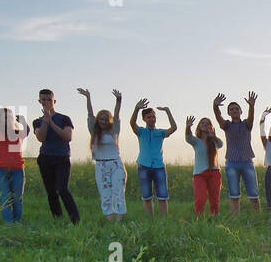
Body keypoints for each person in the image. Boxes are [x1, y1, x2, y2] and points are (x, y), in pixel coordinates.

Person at [33, 88, 80, 225]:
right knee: (51, 191)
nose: (46, 102)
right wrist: (45, 121)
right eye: (43, 100)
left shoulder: (64, 118)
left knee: (62, 189)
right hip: (45, 158)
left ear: (54, 101)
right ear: (39, 101)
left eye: (49, 99)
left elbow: (67, 137)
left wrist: (51, 122)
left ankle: (75, 220)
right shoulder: (37, 121)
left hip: (61, 158)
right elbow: (41, 138)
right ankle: (57, 219)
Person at [80, 87, 126, 222]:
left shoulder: (114, 130)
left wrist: (118, 101)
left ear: (109, 120)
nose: (103, 121)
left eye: (106, 119)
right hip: (101, 165)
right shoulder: (93, 131)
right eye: (101, 119)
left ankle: (119, 222)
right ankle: (110, 221)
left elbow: (117, 116)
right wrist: (88, 98)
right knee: (105, 195)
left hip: (116, 164)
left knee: (118, 193)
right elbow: (90, 114)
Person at [214, 91, 260, 214]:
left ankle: (257, 216)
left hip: (247, 162)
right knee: (234, 194)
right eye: (232, 109)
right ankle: (235, 219)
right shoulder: (227, 125)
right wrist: (215, 106)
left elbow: (251, 118)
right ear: (228, 113)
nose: (234, 111)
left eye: (236, 109)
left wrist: (251, 106)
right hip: (232, 163)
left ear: (241, 111)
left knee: (253, 193)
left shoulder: (246, 124)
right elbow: (218, 118)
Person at [0, 91, 29, 224]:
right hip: (0, 169)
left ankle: (17, 223)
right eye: (2, 117)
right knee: (5, 198)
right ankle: (8, 224)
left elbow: (27, 130)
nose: (5, 119)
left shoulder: (19, 133)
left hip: (18, 169)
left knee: (18, 198)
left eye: (7, 117)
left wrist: (21, 119)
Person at [130, 98, 176, 216]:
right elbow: (132, 123)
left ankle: (164, 220)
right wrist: (136, 108)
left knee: (162, 196)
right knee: (147, 196)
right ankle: (150, 220)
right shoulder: (141, 132)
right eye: (149, 117)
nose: (152, 119)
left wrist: (167, 111)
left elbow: (174, 128)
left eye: (153, 116)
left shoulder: (160, 133)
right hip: (144, 166)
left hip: (159, 167)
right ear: (144, 119)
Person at [186, 115, 224, 216]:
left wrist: (213, 136)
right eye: (202, 123)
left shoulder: (215, 141)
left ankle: (215, 219)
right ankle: (199, 220)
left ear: (211, 127)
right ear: (198, 127)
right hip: (200, 174)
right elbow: (188, 137)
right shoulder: (196, 141)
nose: (205, 125)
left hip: (214, 173)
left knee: (215, 200)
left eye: (207, 123)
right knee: (200, 199)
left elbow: (221, 144)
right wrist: (188, 127)